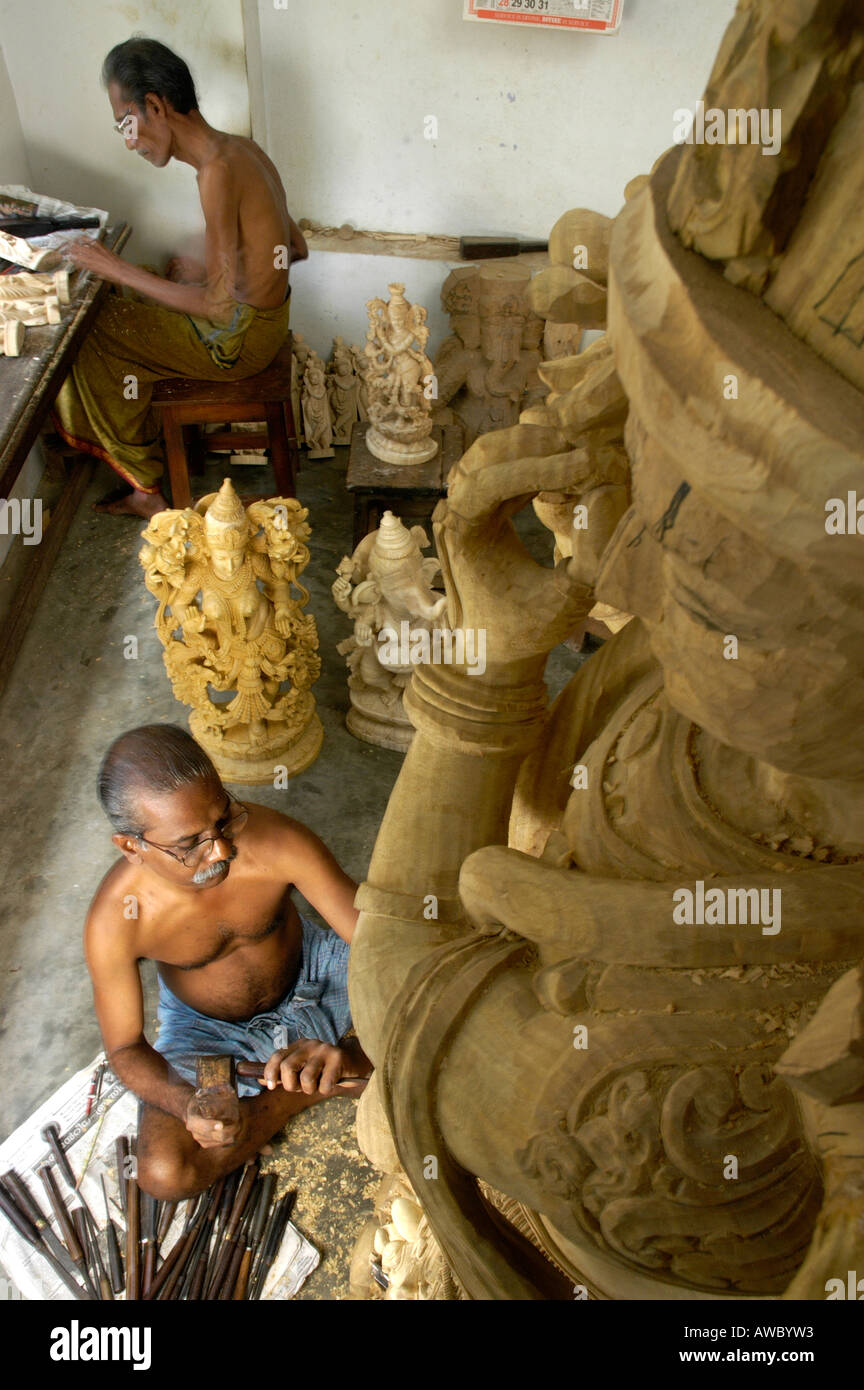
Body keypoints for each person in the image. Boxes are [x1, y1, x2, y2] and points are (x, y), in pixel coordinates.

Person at [84, 725, 371, 1200]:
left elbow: (381, 946)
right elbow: (125, 1049)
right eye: (189, 843)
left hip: (317, 972)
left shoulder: (276, 841)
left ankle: (336, 1069)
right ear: (131, 847)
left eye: (224, 819)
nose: (220, 850)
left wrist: (378, 1024)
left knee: (441, 1006)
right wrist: (190, 1101)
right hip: (209, 1033)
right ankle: (327, 1081)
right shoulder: (115, 921)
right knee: (165, 1173)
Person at [53, 37, 308, 519]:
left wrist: (114, 265)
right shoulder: (242, 150)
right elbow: (294, 248)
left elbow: (218, 310)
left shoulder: (215, 173)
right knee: (145, 281)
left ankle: (145, 487)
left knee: (93, 327)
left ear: (154, 106)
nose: (129, 141)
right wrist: (219, 267)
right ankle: (144, 444)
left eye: (126, 123)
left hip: (236, 345)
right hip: (264, 322)